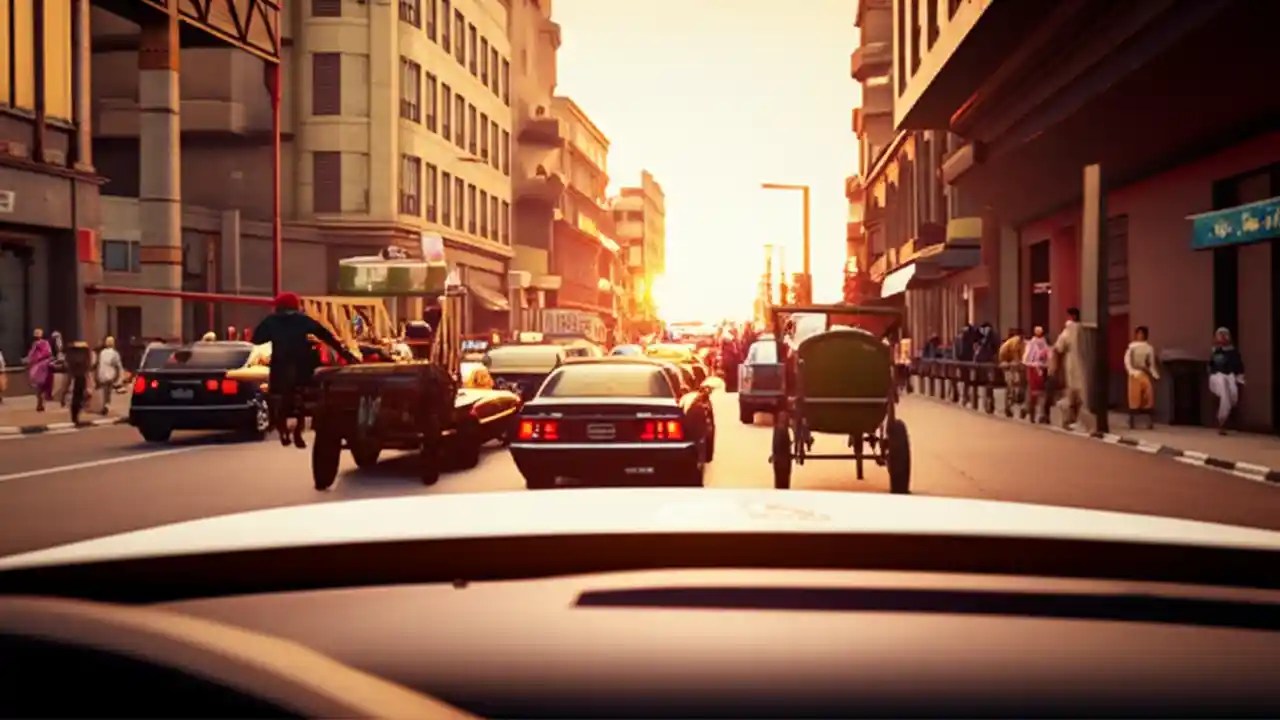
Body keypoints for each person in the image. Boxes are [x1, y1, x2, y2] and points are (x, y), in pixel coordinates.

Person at [252, 292, 359, 448]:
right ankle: (298, 433)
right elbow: (326, 335)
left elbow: (257, 339)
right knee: (302, 399)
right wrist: (346, 354)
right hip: (302, 366)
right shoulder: (303, 320)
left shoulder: (271, 321)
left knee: (279, 399)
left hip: (280, 367)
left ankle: (283, 430)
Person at [1052, 307, 1086, 429]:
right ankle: (1077, 419)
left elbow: (1059, 347)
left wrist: (1055, 366)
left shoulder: (1069, 329)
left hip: (1071, 363)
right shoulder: (1084, 328)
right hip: (1085, 364)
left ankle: (1068, 419)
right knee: (1081, 392)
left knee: (1071, 391)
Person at [1207, 327, 1244, 435]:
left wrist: (1240, 380)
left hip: (1230, 377)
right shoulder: (1214, 351)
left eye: (1225, 334)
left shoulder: (1234, 352)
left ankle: (1224, 420)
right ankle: (1221, 422)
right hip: (1217, 378)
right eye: (1220, 334)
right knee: (1224, 388)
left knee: (1230, 391)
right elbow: (1211, 367)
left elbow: (1239, 369)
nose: (1223, 337)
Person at [1123, 326, 1159, 428]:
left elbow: (1151, 364)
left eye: (1142, 334)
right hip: (1134, 374)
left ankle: (1149, 420)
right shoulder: (1131, 347)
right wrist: (1130, 371)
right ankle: (1132, 420)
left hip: (1143, 373)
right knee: (1134, 397)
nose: (1140, 335)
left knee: (1149, 394)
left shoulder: (1149, 348)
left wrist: (1154, 374)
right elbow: (1127, 360)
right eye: (1138, 333)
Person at [1022, 326, 1051, 423]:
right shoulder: (1034, 343)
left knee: (1038, 393)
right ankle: (1035, 413)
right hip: (1036, 370)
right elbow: (1026, 358)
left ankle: (1037, 414)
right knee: (1036, 393)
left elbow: (1048, 356)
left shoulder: (1040, 343)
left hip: (1039, 370)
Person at [997, 328, 1027, 418]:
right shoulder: (1015, 341)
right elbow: (1015, 354)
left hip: (1011, 363)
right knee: (1010, 384)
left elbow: (1021, 354)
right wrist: (1019, 363)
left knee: (1015, 383)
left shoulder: (1022, 343)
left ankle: (1012, 401)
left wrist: (1022, 362)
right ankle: (1008, 406)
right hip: (1005, 360)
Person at [24, 329, 53, 412]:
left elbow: (32, 356)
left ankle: (41, 403)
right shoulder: (43, 344)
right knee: (41, 386)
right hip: (42, 366)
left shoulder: (39, 344)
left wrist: (29, 362)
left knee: (40, 387)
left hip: (40, 367)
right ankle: (41, 403)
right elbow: (48, 353)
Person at [95, 336, 125, 416]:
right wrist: (120, 378)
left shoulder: (102, 352)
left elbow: (99, 364)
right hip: (110, 374)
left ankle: (104, 405)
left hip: (102, 374)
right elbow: (118, 365)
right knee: (108, 392)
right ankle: (106, 406)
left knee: (104, 391)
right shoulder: (115, 353)